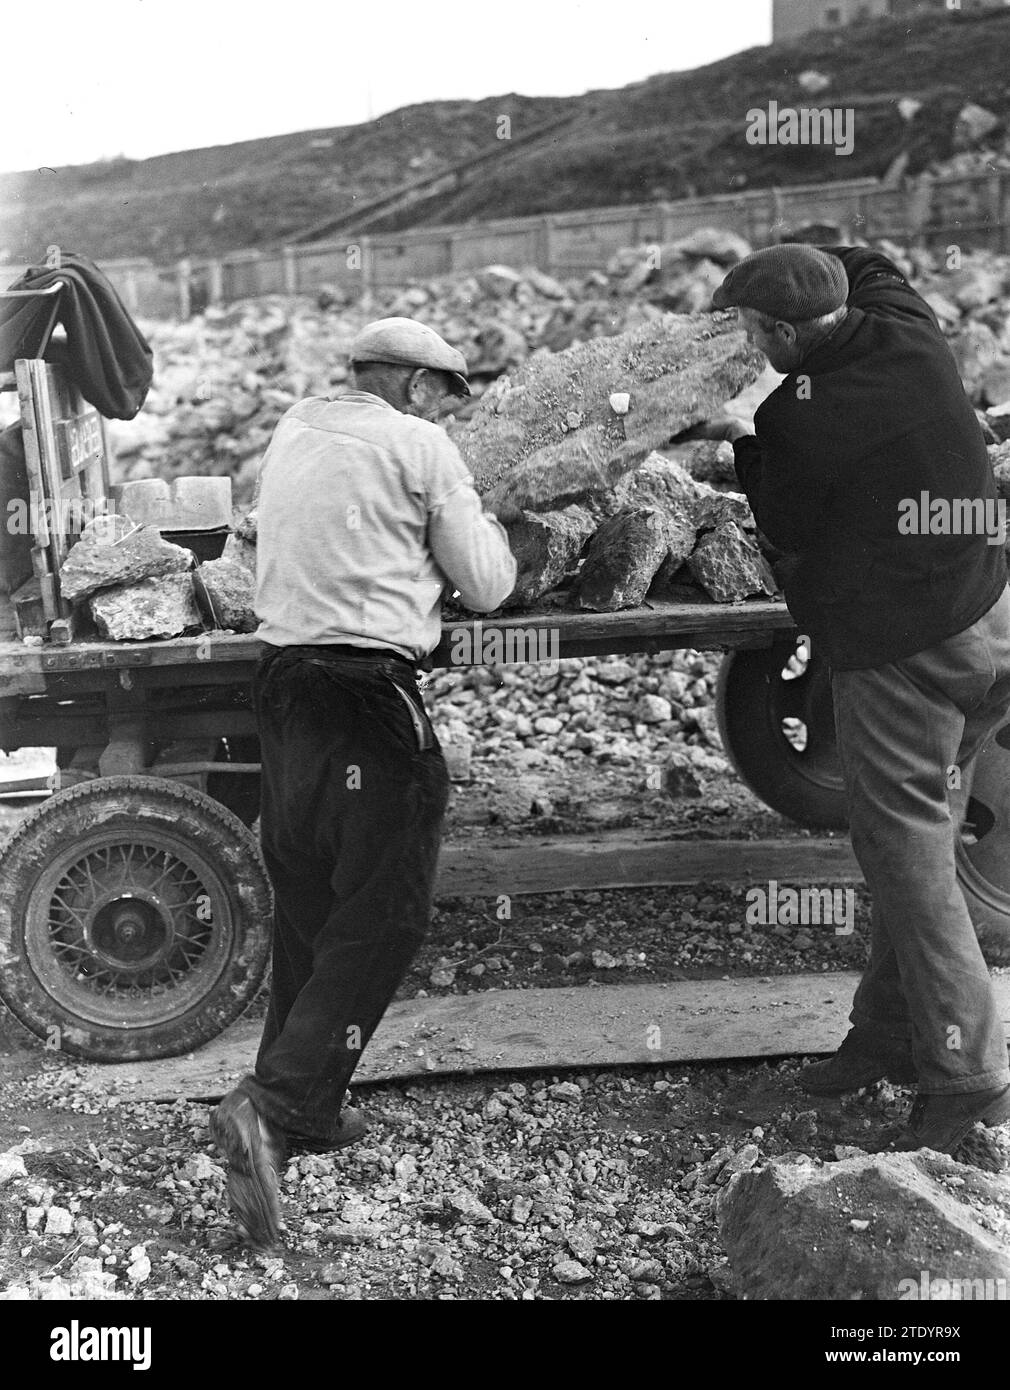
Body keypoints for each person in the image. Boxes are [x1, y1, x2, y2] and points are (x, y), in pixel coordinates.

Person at [211, 317, 516, 1246]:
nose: (450, 416)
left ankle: (304, 1102)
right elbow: (491, 586)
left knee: (312, 898)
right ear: (420, 387)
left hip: (284, 686)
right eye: (449, 398)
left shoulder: (297, 426)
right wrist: (483, 530)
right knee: (387, 911)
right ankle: (270, 1104)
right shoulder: (422, 445)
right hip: (370, 694)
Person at [703, 242, 1010, 1156]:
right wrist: (781, 272)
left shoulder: (800, 422)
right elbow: (866, 259)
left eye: (759, 333)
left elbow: (786, 524)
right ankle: (888, 1032)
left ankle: (970, 1076)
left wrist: (740, 437)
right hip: (993, 617)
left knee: (905, 851)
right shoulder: (908, 328)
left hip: (908, 650)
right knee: (911, 844)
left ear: (789, 332)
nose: (755, 349)